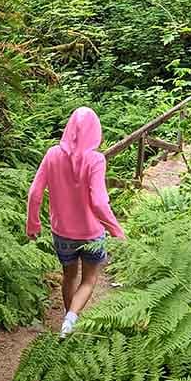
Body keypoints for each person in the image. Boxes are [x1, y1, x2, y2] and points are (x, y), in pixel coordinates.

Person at [27, 107, 125, 337]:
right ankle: (71, 319)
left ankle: (67, 323)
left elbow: (34, 193)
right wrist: (116, 230)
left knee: (69, 276)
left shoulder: (52, 155)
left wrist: (33, 224)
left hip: (62, 232)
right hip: (92, 233)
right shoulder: (96, 160)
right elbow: (99, 202)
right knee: (89, 279)